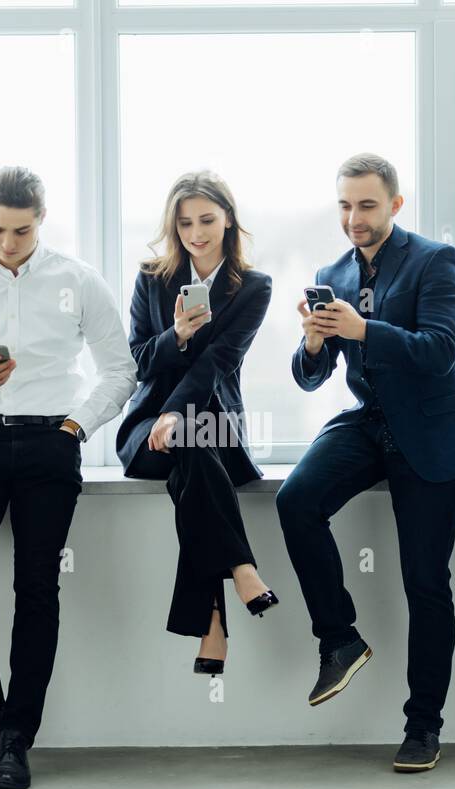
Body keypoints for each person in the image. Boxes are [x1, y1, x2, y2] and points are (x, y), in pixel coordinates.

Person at [0, 166, 136, 789]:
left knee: (36, 586)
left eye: (20, 230)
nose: (8, 243)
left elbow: (119, 371)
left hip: (51, 440)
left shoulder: (78, 280)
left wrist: (77, 425)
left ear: (40, 221)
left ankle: (18, 734)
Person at [275, 154, 455, 773]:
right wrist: (315, 341)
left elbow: (439, 351)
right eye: (344, 205)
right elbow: (312, 378)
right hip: (371, 422)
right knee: (296, 500)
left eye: (366, 205)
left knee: (424, 583)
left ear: (396, 205)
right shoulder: (331, 272)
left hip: (435, 432)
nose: (353, 218)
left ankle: (424, 726)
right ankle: (339, 637)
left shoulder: (435, 260)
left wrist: (363, 329)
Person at [116, 171, 277, 675]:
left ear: (228, 220)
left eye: (207, 219)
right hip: (147, 430)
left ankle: (211, 623)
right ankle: (241, 567)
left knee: (193, 446)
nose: (196, 232)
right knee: (192, 441)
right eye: (185, 223)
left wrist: (175, 413)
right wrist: (176, 335)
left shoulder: (252, 287)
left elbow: (219, 364)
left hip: (210, 427)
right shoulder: (151, 277)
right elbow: (139, 361)